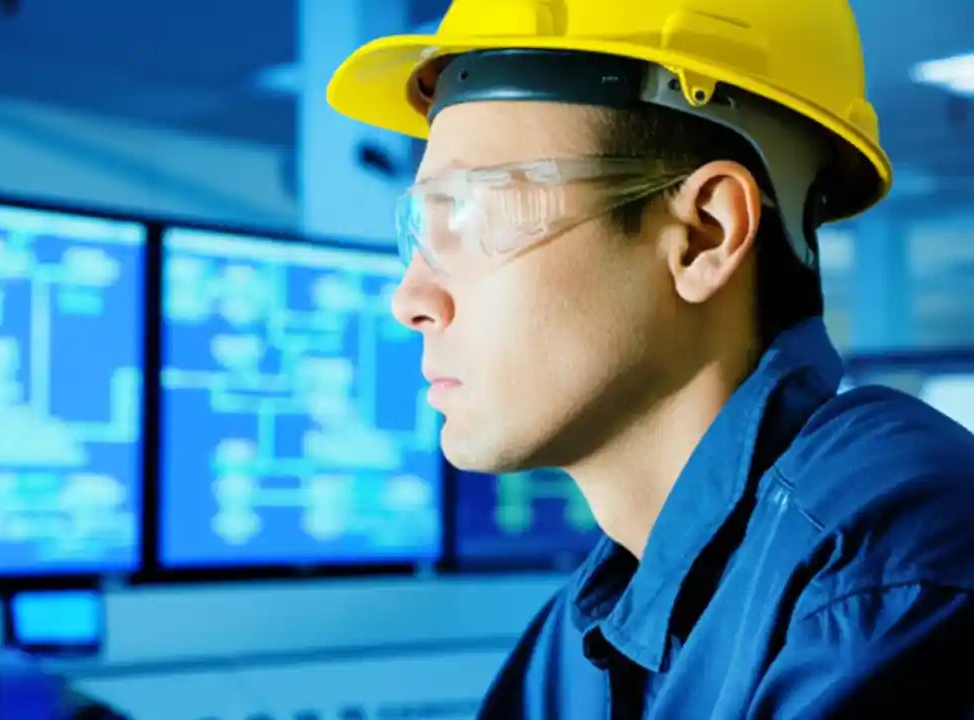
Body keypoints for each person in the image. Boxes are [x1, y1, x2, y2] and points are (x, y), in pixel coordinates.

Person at [325, 0, 974, 717]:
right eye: (421, 227)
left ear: (704, 234)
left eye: (480, 216)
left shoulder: (889, 564)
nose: (411, 299)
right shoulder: (581, 642)